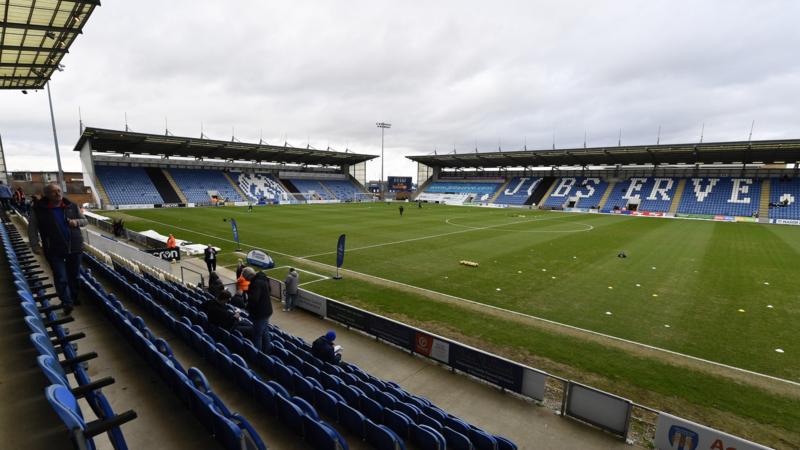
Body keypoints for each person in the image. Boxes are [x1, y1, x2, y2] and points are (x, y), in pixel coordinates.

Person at [28, 183, 87, 315]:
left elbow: (84, 221)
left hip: (75, 246)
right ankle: (66, 302)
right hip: (53, 248)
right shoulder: (38, 209)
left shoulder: (72, 206)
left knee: (75, 276)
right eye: (54, 191)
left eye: (59, 190)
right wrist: (35, 245)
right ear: (47, 195)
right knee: (61, 277)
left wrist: (76, 222)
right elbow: (32, 228)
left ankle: (74, 297)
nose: (58, 193)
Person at [242, 267, 272, 352]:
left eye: (246, 278)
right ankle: (267, 351)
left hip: (260, 313)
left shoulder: (256, 283)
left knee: (257, 335)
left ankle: (258, 354)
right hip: (266, 310)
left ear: (249, 275)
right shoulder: (262, 279)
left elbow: (254, 299)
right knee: (265, 332)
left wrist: (247, 305)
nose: (247, 280)